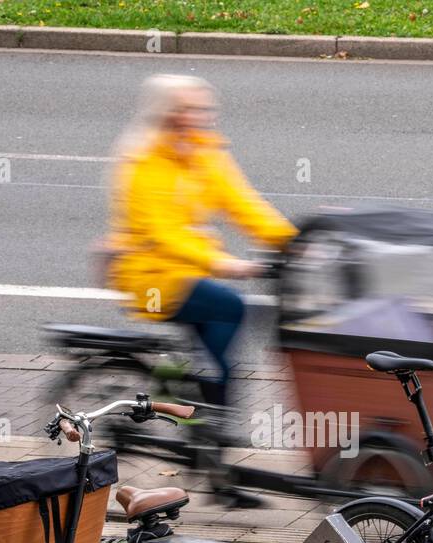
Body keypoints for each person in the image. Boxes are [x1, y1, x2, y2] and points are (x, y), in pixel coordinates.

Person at [105, 74, 297, 502]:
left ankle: (204, 430)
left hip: (189, 273)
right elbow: (162, 234)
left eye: (205, 109)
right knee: (231, 311)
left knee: (220, 351)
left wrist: (294, 242)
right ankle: (205, 422)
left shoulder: (204, 152)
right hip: (150, 277)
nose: (204, 117)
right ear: (170, 115)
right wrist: (224, 263)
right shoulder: (144, 162)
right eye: (193, 110)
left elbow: (241, 202)